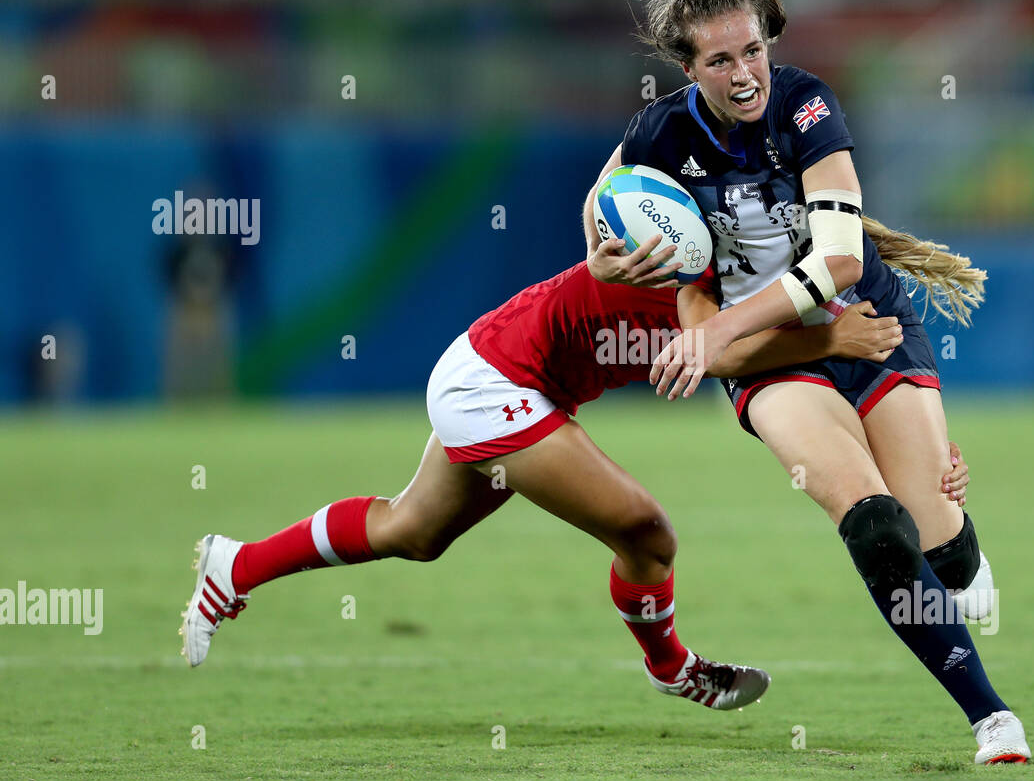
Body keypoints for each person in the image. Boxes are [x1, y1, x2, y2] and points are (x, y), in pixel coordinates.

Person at [180, 258, 970, 713]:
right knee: (645, 530)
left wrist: (914, 444)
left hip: (496, 370)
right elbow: (717, 350)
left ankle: (234, 565)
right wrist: (839, 336)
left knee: (410, 532)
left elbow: (776, 352)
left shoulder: (746, 260)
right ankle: (671, 666)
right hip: (496, 383)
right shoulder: (698, 256)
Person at [585, 0, 1029, 764]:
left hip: (868, 325)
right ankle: (992, 719)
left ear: (769, 44)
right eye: (719, 62)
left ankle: (961, 546)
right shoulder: (660, 133)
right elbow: (601, 205)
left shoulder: (806, 104)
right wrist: (605, 258)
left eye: (752, 50)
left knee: (940, 543)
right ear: (688, 70)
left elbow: (837, 266)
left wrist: (714, 335)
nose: (743, 72)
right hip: (771, 361)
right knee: (876, 525)